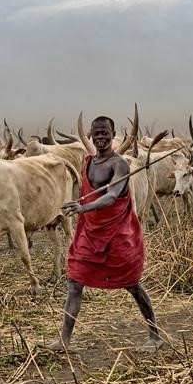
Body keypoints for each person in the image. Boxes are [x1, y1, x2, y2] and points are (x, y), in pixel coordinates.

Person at [49, 116, 163, 353]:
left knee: (132, 284)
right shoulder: (88, 161)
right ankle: (64, 340)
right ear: (90, 135)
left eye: (105, 134)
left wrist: (83, 208)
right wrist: (85, 212)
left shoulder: (119, 164)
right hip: (90, 232)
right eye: (97, 134)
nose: (101, 138)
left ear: (113, 135)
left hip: (117, 234)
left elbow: (112, 196)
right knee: (74, 282)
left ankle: (155, 335)